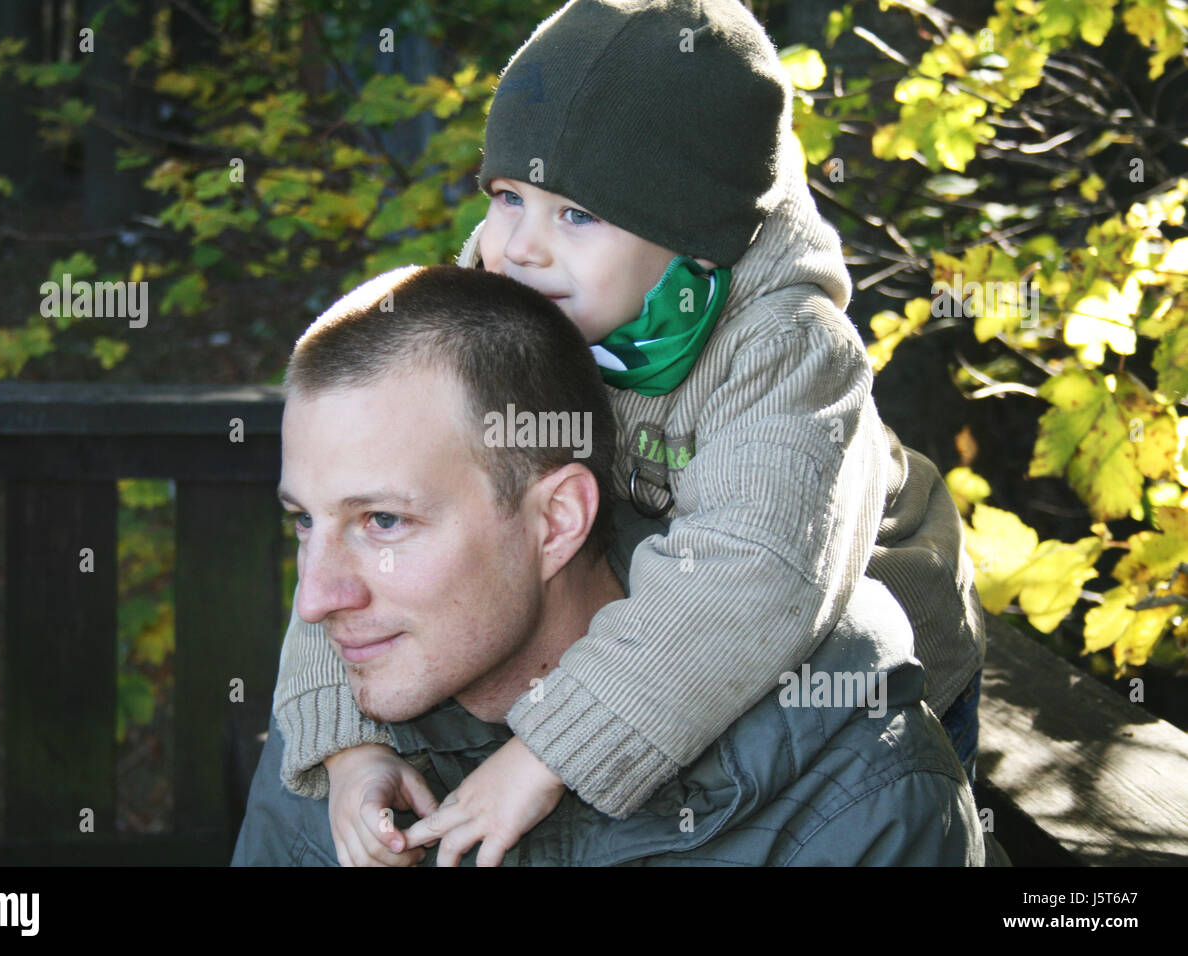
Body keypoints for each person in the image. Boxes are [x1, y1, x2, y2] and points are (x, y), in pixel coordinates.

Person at [272, 0, 985, 866]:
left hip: (838, 618)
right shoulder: (505, 288)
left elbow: (754, 573)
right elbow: (355, 515)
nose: (522, 247)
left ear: (692, 241)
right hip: (646, 594)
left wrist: (543, 756)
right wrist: (347, 748)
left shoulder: (783, 351)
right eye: (508, 197)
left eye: (577, 215)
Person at [232, 264, 985, 866]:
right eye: (304, 520)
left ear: (556, 521)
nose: (316, 599)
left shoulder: (855, 804)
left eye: (384, 521)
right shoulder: (345, 749)